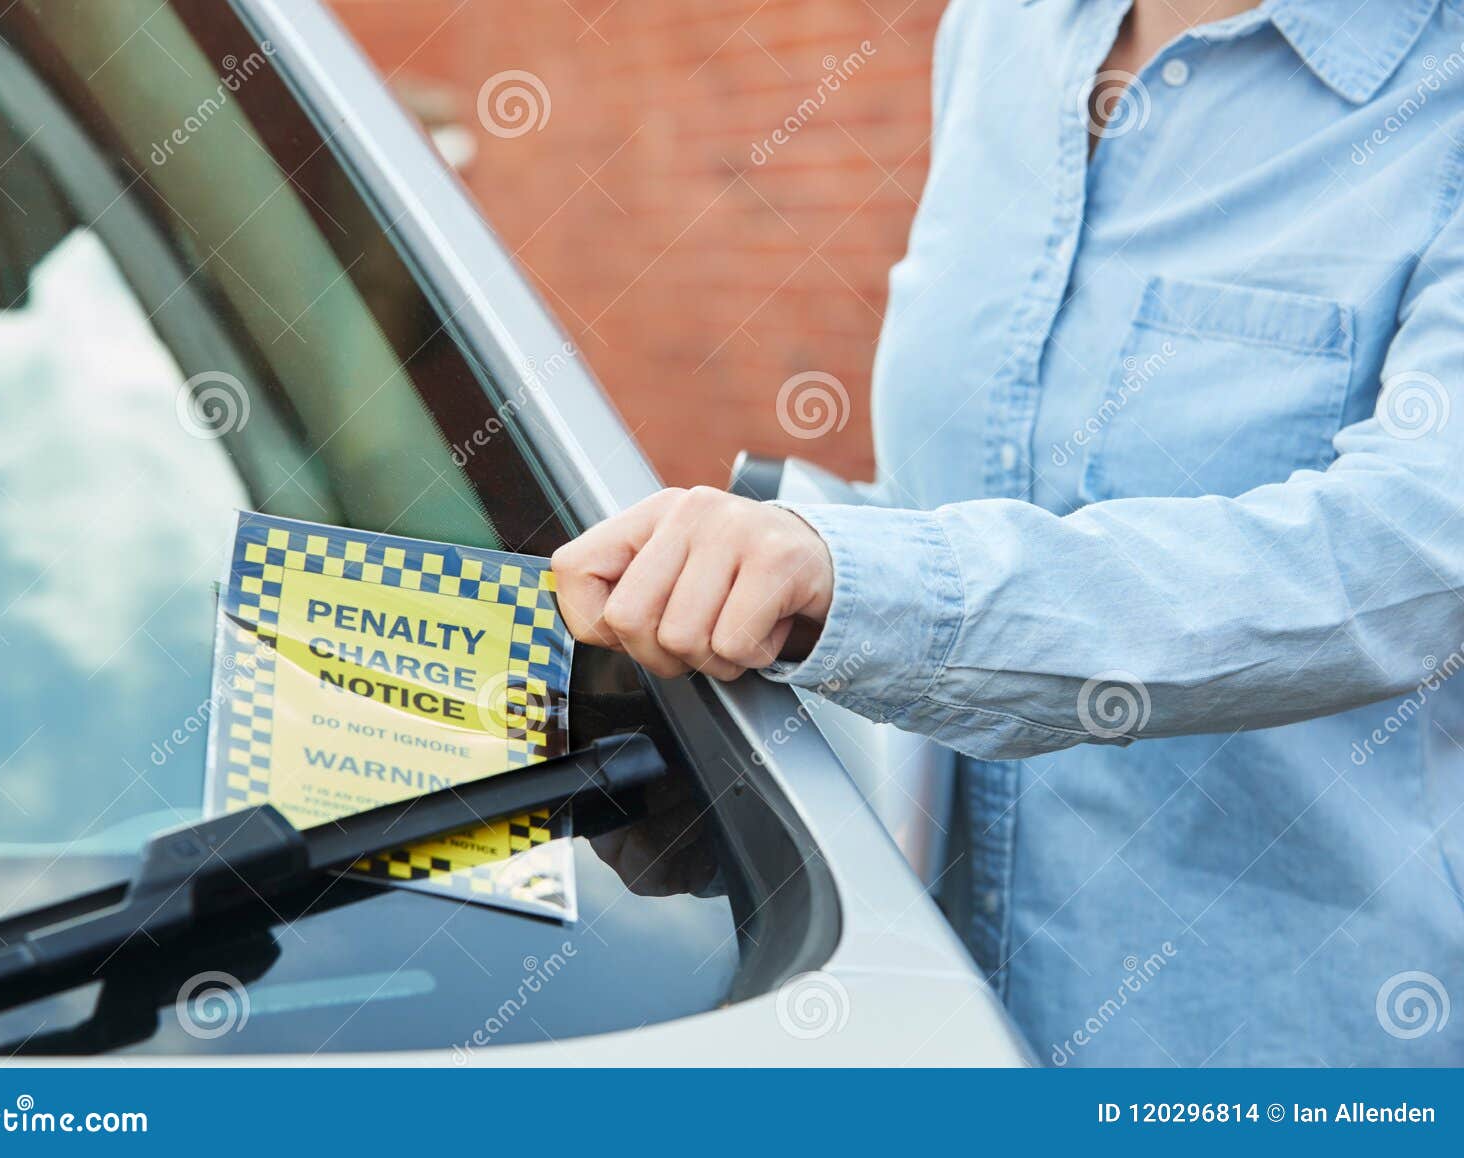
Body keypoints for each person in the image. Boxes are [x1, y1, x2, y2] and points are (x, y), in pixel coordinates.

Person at [551, 0, 1464, 1066]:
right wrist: (755, 617)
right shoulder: (999, 33)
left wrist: (864, 584)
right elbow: (959, 506)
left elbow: (1406, 557)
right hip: (927, 1030)